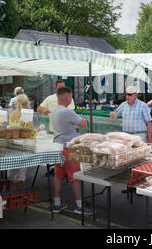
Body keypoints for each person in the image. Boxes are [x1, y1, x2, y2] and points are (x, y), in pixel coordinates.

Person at [51, 86, 91, 215]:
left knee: (58, 175)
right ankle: (79, 206)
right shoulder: (67, 111)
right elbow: (83, 123)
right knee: (75, 176)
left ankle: (57, 204)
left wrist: (72, 125)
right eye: (71, 96)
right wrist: (74, 125)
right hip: (69, 148)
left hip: (57, 146)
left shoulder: (55, 110)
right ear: (68, 97)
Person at [7, 94, 38, 190]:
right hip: (23, 146)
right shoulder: (26, 114)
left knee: (11, 170)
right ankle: (18, 195)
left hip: (13, 144)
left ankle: (8, 194)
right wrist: (39, 129)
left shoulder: (13, 114)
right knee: (21, 172)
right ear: (26, 103)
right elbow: (30, 132)